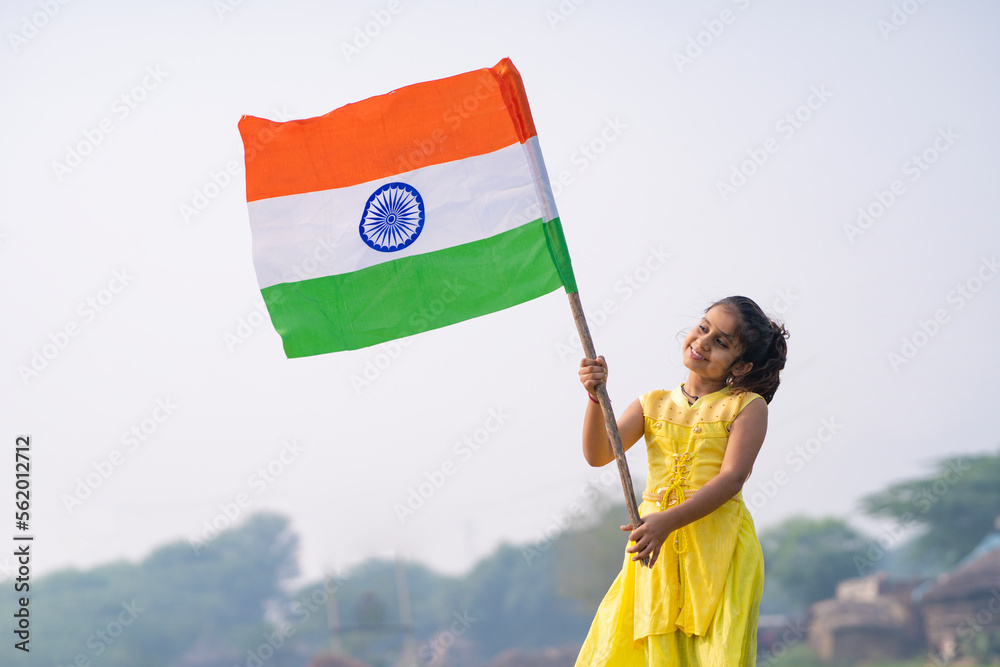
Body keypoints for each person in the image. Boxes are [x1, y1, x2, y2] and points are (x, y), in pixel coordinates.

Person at [574, 295, 788, 666]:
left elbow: (732, 478)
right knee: (649, 647)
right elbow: (599, 454)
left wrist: (667, 522)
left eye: (721, 342)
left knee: (715, 650)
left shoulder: (747, 406)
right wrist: (595, 398)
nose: (703, 342)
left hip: (718, 549)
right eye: (703, 328)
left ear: (743, 364)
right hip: (654, 548)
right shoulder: (651, 403)